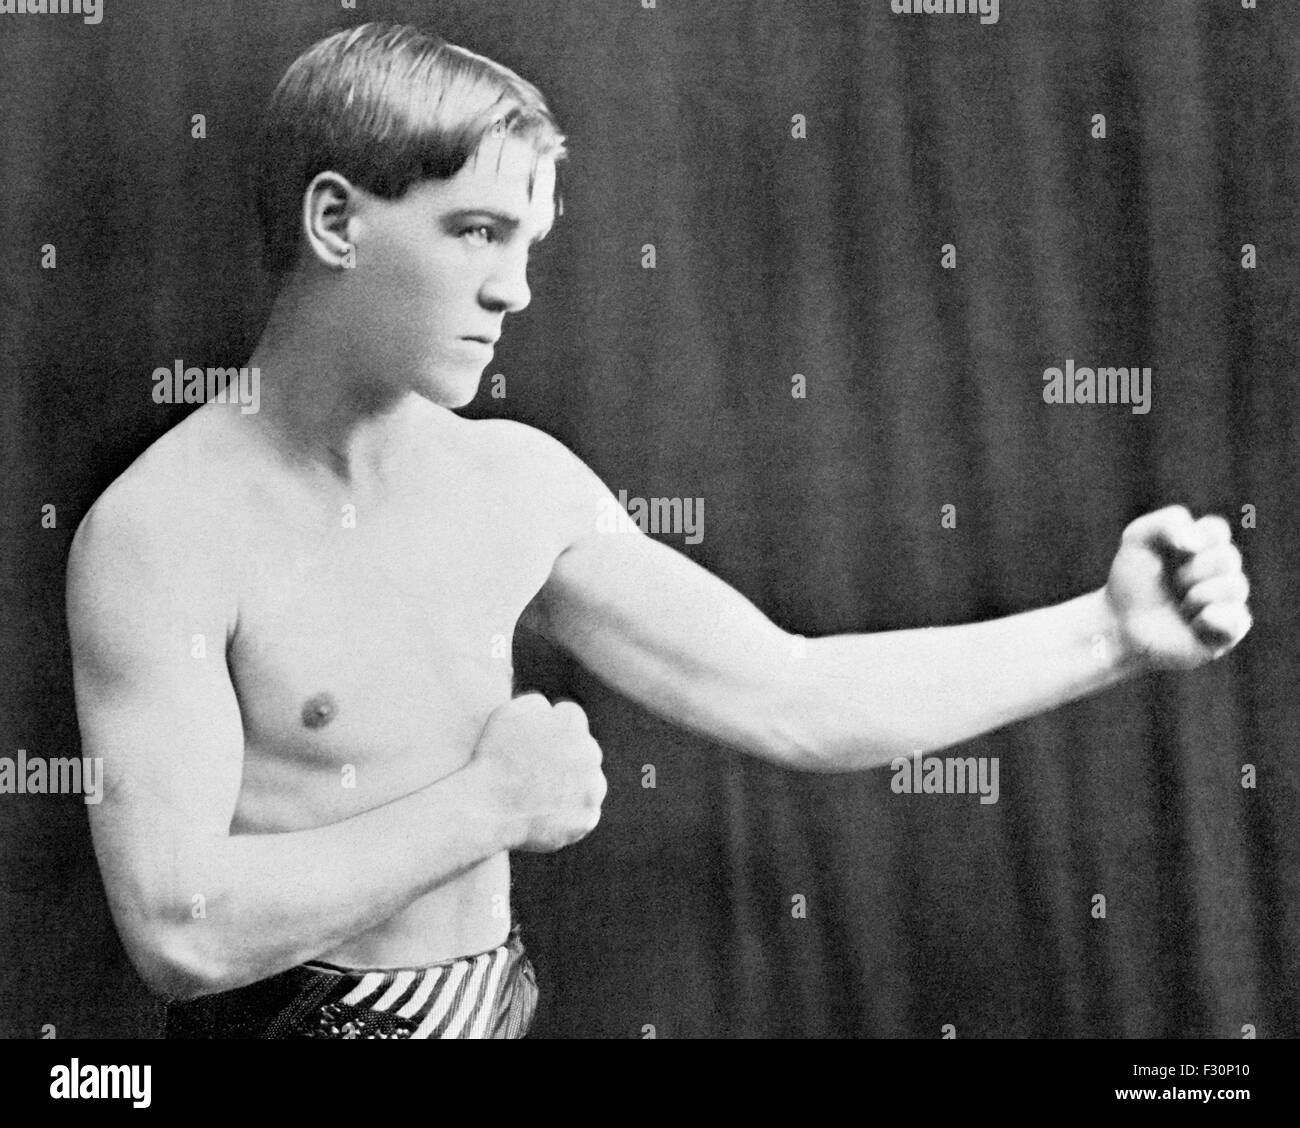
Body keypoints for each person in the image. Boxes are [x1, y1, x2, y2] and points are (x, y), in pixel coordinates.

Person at [66, 22, 1252, 1039]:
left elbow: (792, 695)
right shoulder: (161, 532)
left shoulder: (517, 484)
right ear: (336, 219)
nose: (515, 289)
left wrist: (1109, 635)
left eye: (529, 244)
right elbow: (182, 929)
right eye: (476, 231)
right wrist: (488, 810)